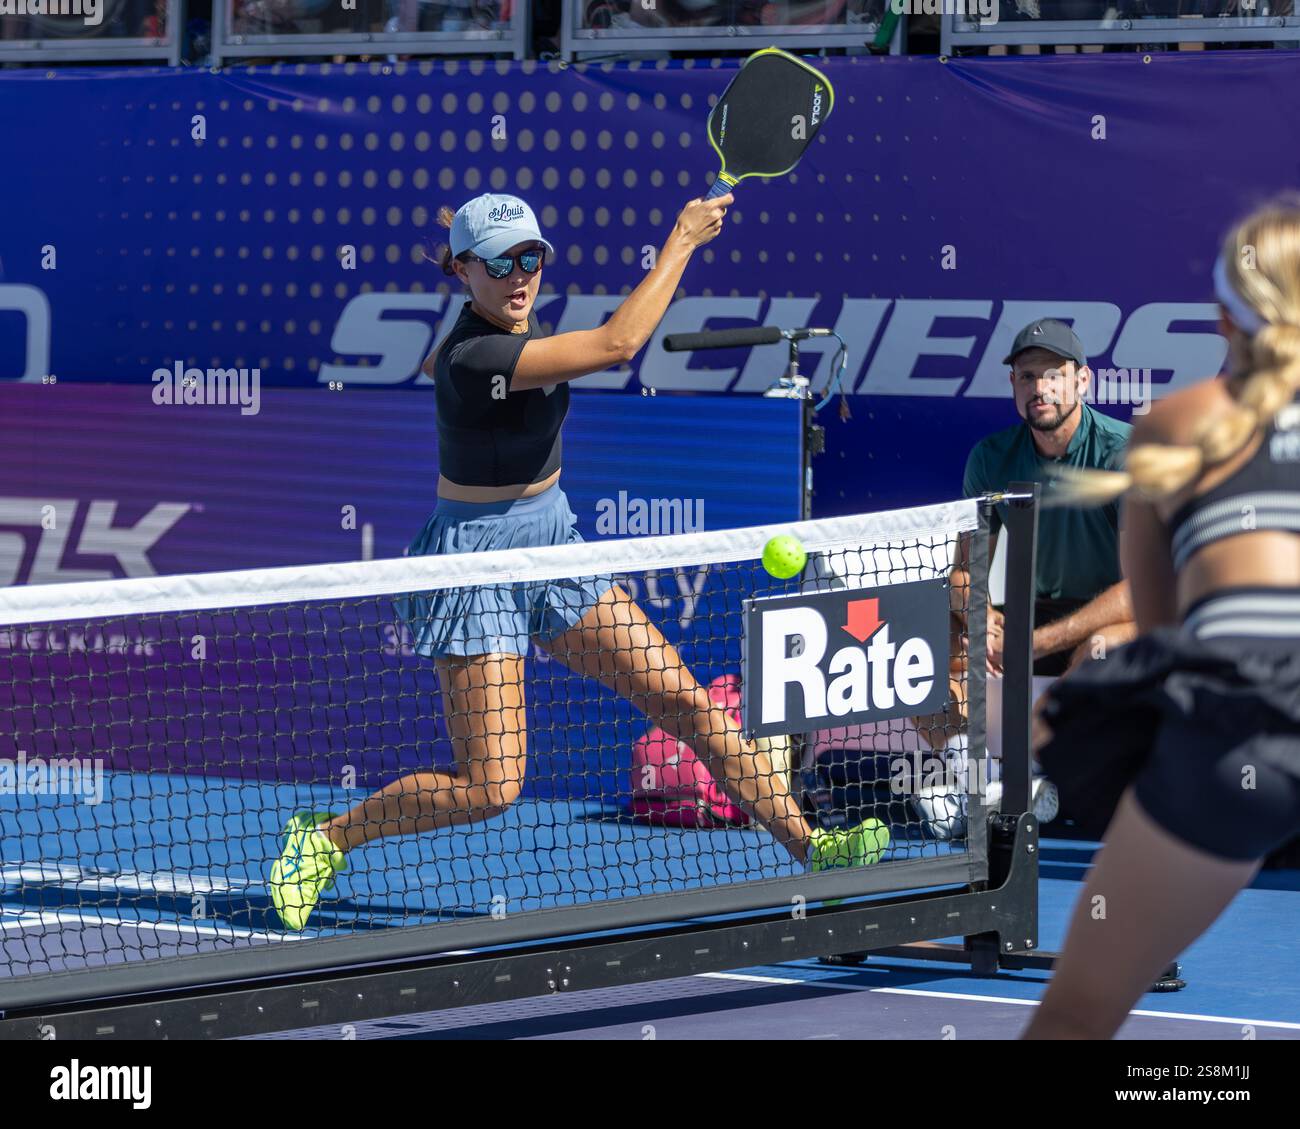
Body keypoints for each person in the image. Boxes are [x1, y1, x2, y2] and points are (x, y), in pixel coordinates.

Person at [269, 191, 890, 930]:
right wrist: (683, 240)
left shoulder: (488, 338)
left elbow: (466, 355)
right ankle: (326, 837)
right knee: (490, 786)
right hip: (476, 565)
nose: (520, 275)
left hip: (553, 540)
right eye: (499, 264)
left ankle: (815, 850)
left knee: (689, 701)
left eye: (532, 257)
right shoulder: (476, 357)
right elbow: (617, 345)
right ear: (465, 269)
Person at [1025, 198, 1300, 1039]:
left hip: (1239, 722)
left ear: (1223, 314)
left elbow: (1163, 620)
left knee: (1075, 1015)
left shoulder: (1175, 425)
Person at [909, 319, 1138, 834]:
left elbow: (1139, 591)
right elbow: (965, 571)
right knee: (924, 632)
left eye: (1053, 375)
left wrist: (1031, 643)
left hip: (1105, 615)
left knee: (1114, 644)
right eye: (1027, 377)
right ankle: (967, 778)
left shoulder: (1125, 454)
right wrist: (983, 615)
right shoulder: (990, 458)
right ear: (1014, 387)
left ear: (1083, 381)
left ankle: (1032, 773)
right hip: (1025, 612)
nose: (1040, 388)